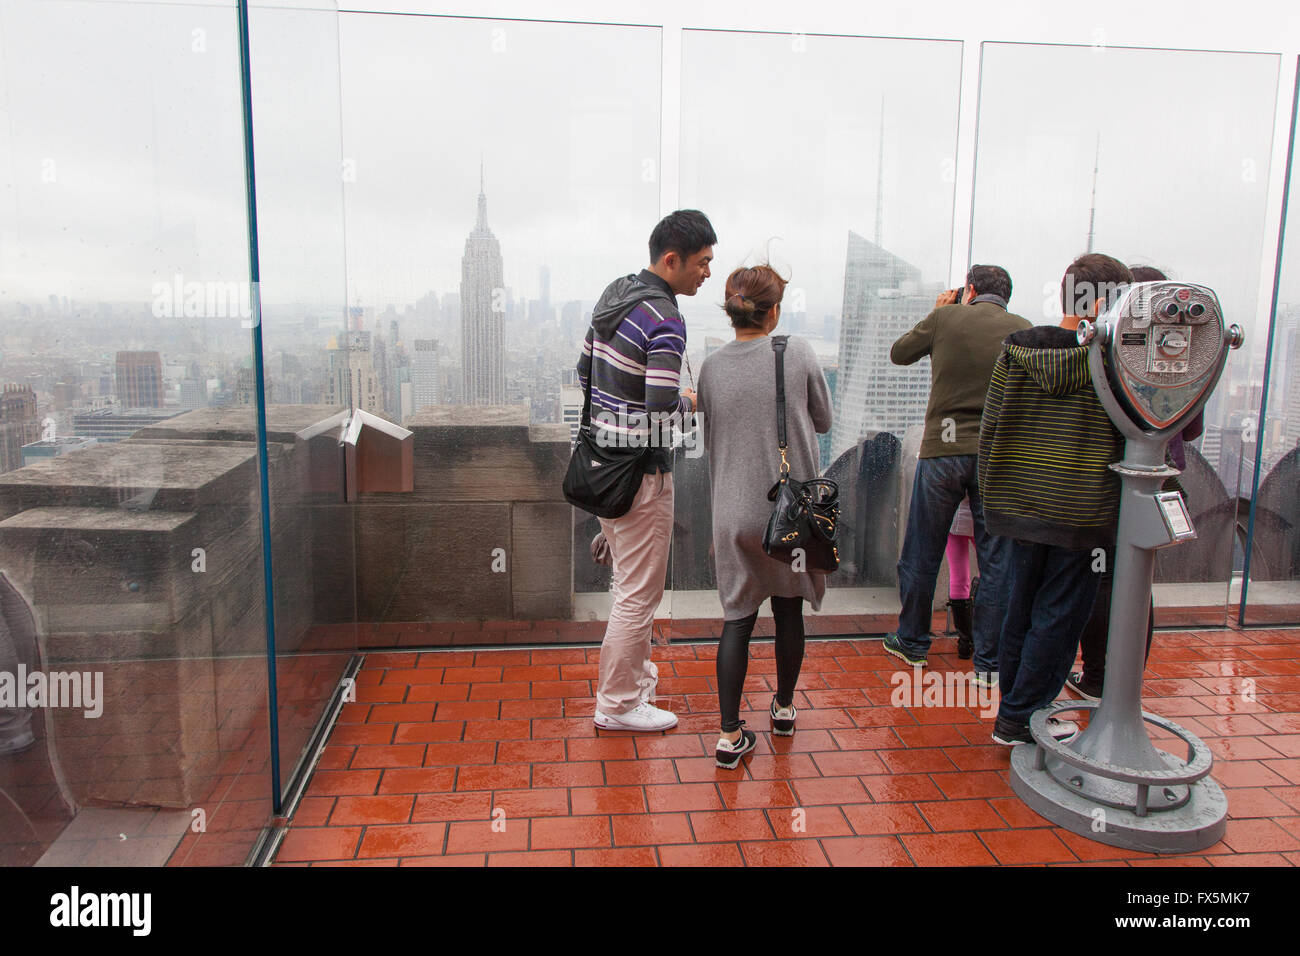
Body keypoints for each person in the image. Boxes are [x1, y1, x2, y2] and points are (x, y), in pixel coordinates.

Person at [979, 252, 1131, 745]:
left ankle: (1013, 710)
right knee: (1060, 615)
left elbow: (991, 425)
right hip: (1080, 510)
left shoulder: (1017, 349)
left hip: (1019, 503)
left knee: (1018, 607)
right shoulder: (1109, 361)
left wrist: (994, 497)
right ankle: (1024, 717)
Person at [578, 209, 715, 732]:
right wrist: (692, 399)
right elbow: (660, 403)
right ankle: (617, 704)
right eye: (702, 263)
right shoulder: (665, 316)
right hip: (641, 471)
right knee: (639, 594)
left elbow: (584, 371)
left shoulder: (615, 296)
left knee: (626, 586)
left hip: (603, 464)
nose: (706, 273)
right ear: (672, 259)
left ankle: (631, 679)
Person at [696, 264, 832, 768]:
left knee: (737, 620)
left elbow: (714, 438)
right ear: (773, 309)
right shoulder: (795, 351)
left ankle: (729, 737)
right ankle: (783, 709)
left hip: (732, 514)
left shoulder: (710, 368)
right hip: (789, 511)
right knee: (789, 610)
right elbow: (824, 420)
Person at [882, 264, 1030, 685]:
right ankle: (990, 663)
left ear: (969, 290)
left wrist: (936, 311)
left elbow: (900, 353)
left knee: (922, 550)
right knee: (998, 561)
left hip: (943, 452)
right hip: (997, 457)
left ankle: (911, 643)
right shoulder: (1022, 329)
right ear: (1007, 296)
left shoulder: (946, 318)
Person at [1065, 263, 1203, 701]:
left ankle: (1101, 677)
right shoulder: (1179, 355)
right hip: (1163, 480)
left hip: (1117, 482)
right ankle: (1125, 679)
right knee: (1138, 580)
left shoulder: (1115, 344)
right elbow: (1193, 428)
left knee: (1101, 576)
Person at [946, 497, 976, 659]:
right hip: (981, 515)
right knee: (989, 574)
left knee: (958, 578)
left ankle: (965, 642)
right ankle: (983, 637)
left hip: (955, 515)